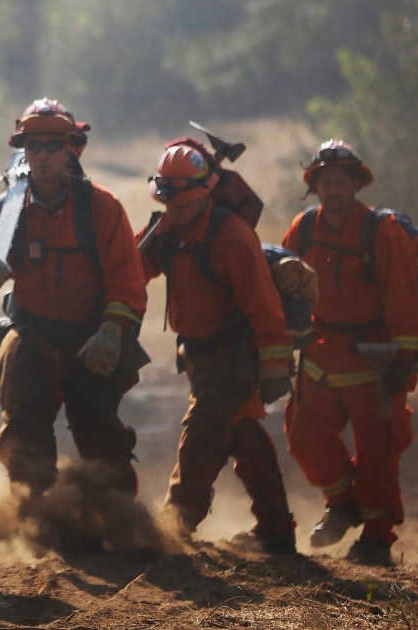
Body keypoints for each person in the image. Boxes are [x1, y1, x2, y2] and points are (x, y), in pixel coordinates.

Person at [0, 98, 147, 499]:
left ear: (69, 150)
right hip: (33, 332)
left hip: (93, 335)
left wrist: (111, 331)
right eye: (34, 147)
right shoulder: (12, 208)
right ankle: (37, 516)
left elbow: (127, 280)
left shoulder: (99, 207)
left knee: (96, 427)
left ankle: (120, 519)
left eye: (52, 146)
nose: (43, 155)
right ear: (24, 153)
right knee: (23, 428)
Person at [138, 142, 297, 555]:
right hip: (198, 355)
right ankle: (277, 532)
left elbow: (265, 307)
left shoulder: (233, 238)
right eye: (169, 200)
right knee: (242, 433)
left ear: (205, 193)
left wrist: (275, 366)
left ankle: (176, 524)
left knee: (203, 431)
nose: (175, 209)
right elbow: (132, 269)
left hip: (235, 355)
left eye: (185, 201)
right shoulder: (166, 231)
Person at [281, 140, 418, 565]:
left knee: (379, 449)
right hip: (320, 353)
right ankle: (343, 503)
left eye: (342, 183)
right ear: (315, 187)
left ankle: (377, 539)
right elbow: (283, 287)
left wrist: (404, 362)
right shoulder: (303, 229)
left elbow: (402, 298)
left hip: (372, 359)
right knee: (304, 437)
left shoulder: (382, 232)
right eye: (326, 183)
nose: (333, 191)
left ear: (356, 185)